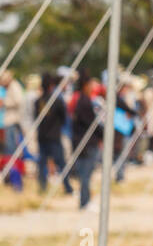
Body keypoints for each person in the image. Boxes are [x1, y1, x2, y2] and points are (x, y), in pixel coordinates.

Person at [68, 75, 102, 209]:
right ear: (85, 86)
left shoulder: (79, 100)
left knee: (84, 174)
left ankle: (85, 200)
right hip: (87, 144)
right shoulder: (85, 102)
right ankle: (85, 202)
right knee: (86, 174)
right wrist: (104, 135)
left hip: (80, 142)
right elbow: (91, 124)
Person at [34, 73, 68, 194]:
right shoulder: (57, 101)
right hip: (54, 136)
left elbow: (35, 118)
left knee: (42, 164)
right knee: (61, 163)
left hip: (42, 136)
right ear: (51, 85)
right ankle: (67, 187)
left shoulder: (38, 101)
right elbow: (64, 118)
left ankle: (42, 187)